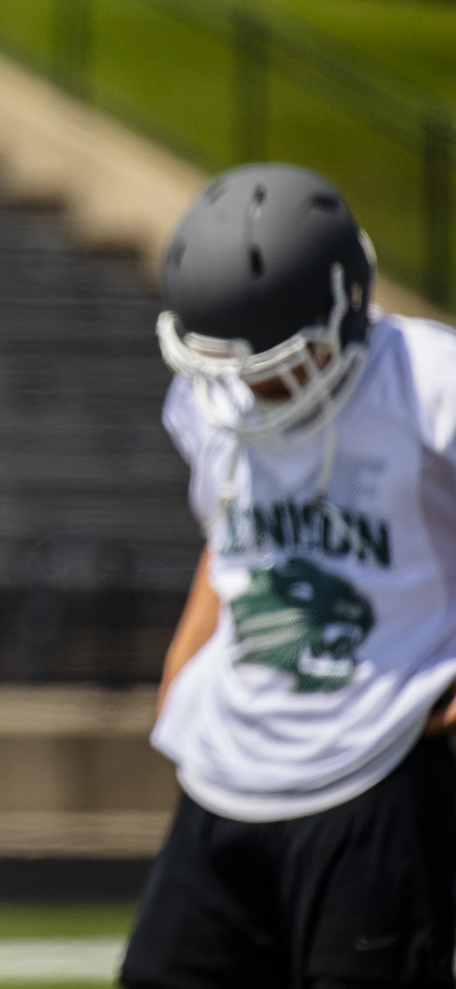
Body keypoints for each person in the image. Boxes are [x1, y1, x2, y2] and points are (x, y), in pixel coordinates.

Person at [122, 162, 456, 989]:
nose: (247, 390)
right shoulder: (216, 394)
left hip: (377, 770)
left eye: (269, 363)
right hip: (229, 774)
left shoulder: (429, 383)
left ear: (344, 307)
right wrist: (183, 668)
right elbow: (230, 534)